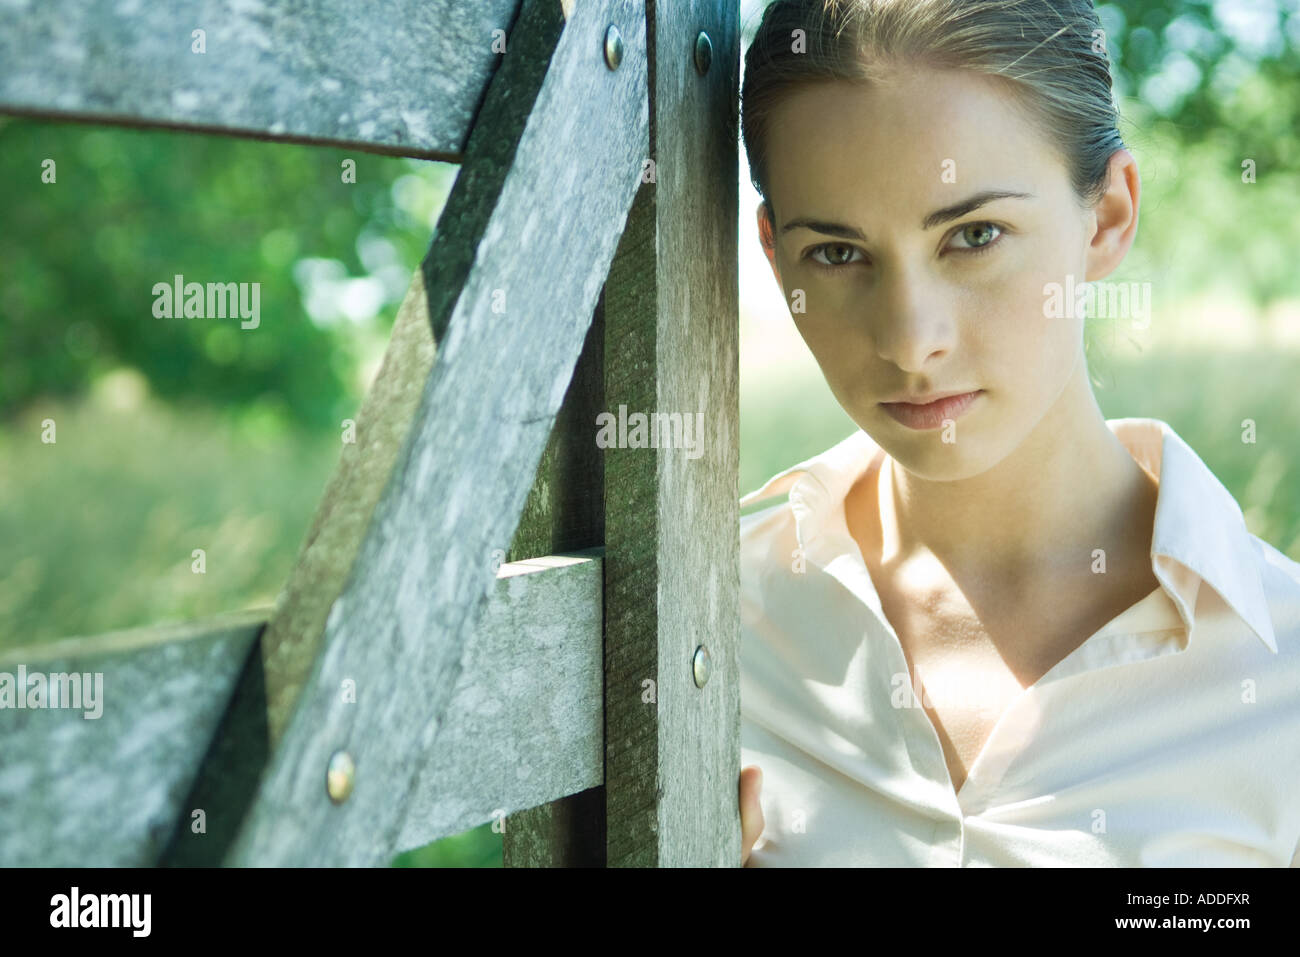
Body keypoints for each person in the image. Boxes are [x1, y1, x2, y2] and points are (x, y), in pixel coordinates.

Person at [736, 0, 1300, 866]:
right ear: (776, 258)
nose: (909, 339)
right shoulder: (710, 633)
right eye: (838, 253)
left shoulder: (1282, 681)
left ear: (1107, 216)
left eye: (974, 235)